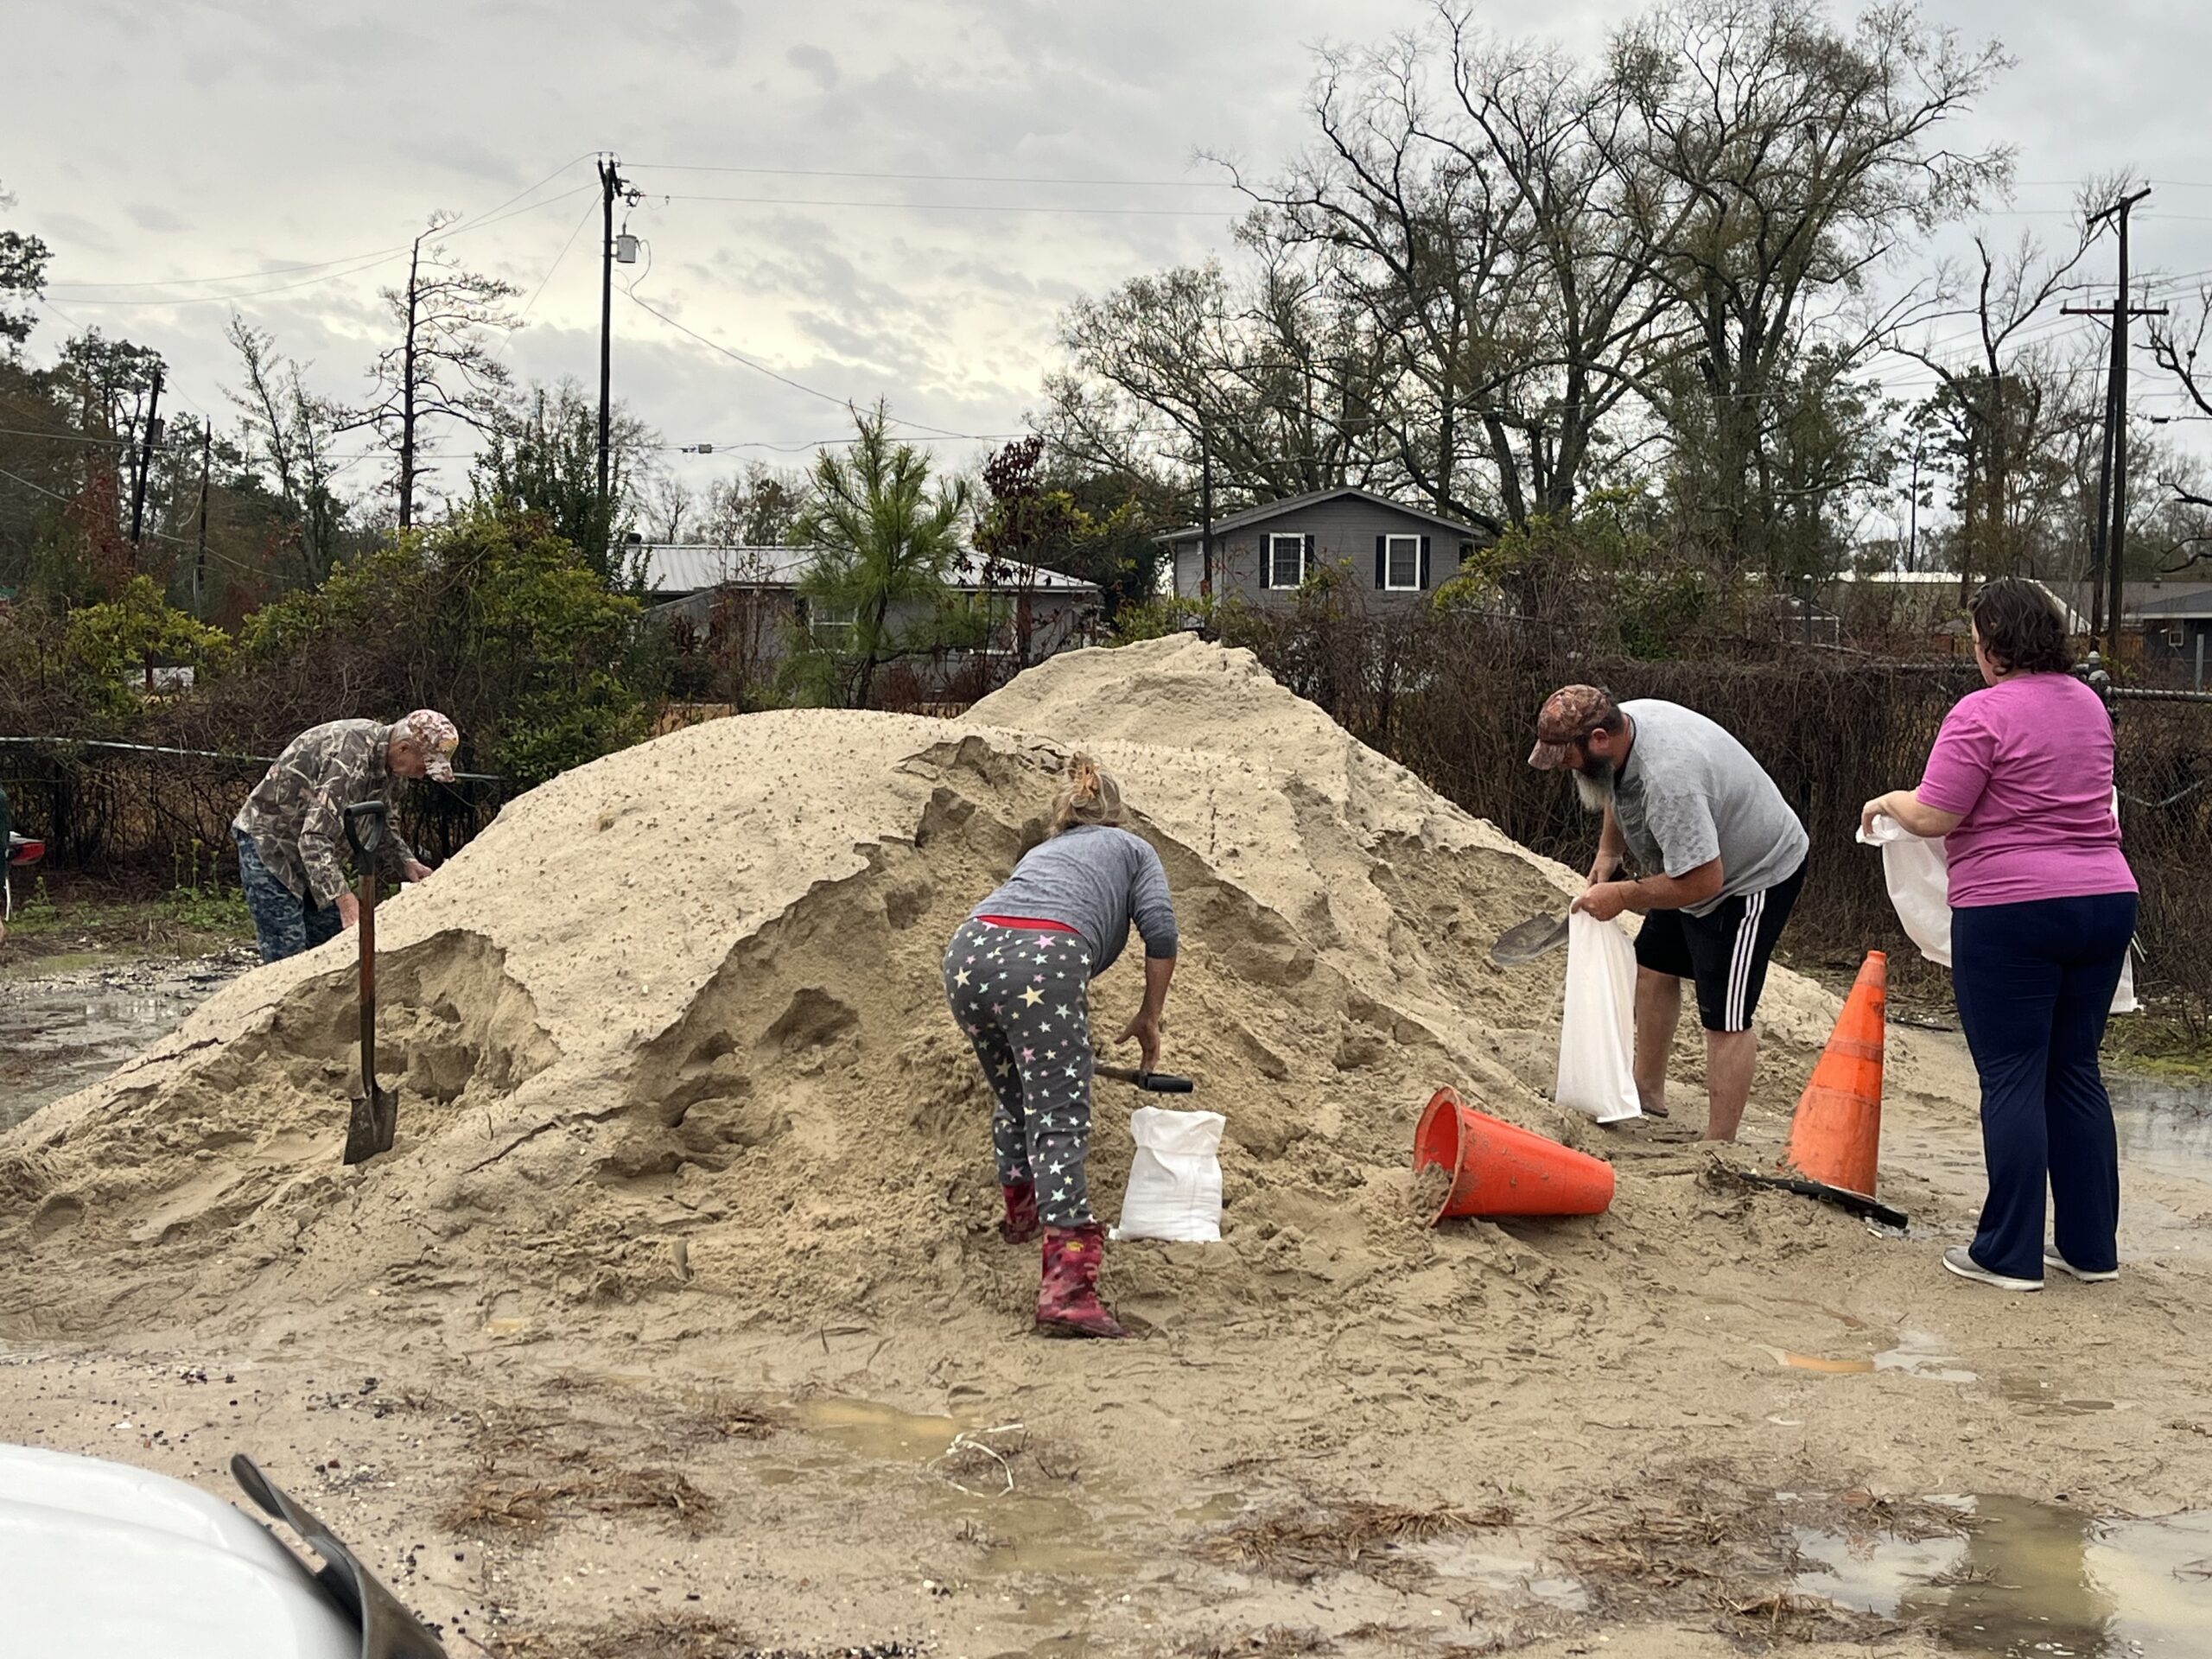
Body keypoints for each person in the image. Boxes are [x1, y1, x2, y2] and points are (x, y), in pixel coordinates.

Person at [1861, 579, 2137, 1294]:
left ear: (1992, 645)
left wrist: (1886, 801)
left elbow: (1934, 816)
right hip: (2106, 899)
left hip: (2012, 909)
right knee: (2074, 1071)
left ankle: (2008, 1253)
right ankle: (2089, 1249)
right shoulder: (2089, 705)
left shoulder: (1979, 712)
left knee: (2011, 1073)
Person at [942, 753, 1179, 1339]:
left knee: (1020, 1095)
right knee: (1059, 1117)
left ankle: (1022, 1215)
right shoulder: (1133, 850)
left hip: (968, 951)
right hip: (1044, 961)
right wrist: (1150, 1015)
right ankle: (1069, 1288)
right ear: (1117, 815)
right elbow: (1162, 931)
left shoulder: (1041, 854)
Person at [1529, 685, 1809, 1141]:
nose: (1563, 766)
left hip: (1751, 876)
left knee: (1726, 1013)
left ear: (1598, 738)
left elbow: (1705, 881)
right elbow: (1614, 790)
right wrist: (1607, 852)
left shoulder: (1667, 778)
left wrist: (1623, 896)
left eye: (1565, 756)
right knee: (1653, 967)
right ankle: (1647, 1091)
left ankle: (1720, 1144)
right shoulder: (1624, 732)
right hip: (1687, 860)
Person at [232, 711, 457, 964]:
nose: (423, 774)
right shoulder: (349, 758)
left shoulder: (395, 771)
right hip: (271, 846)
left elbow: (380, 826)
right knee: (287, 953)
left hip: (315, 859)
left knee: (333, 945)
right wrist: (346, 901)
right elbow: (314, 838)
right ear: (403, 748)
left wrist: (406, 862)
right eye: (424, 765)